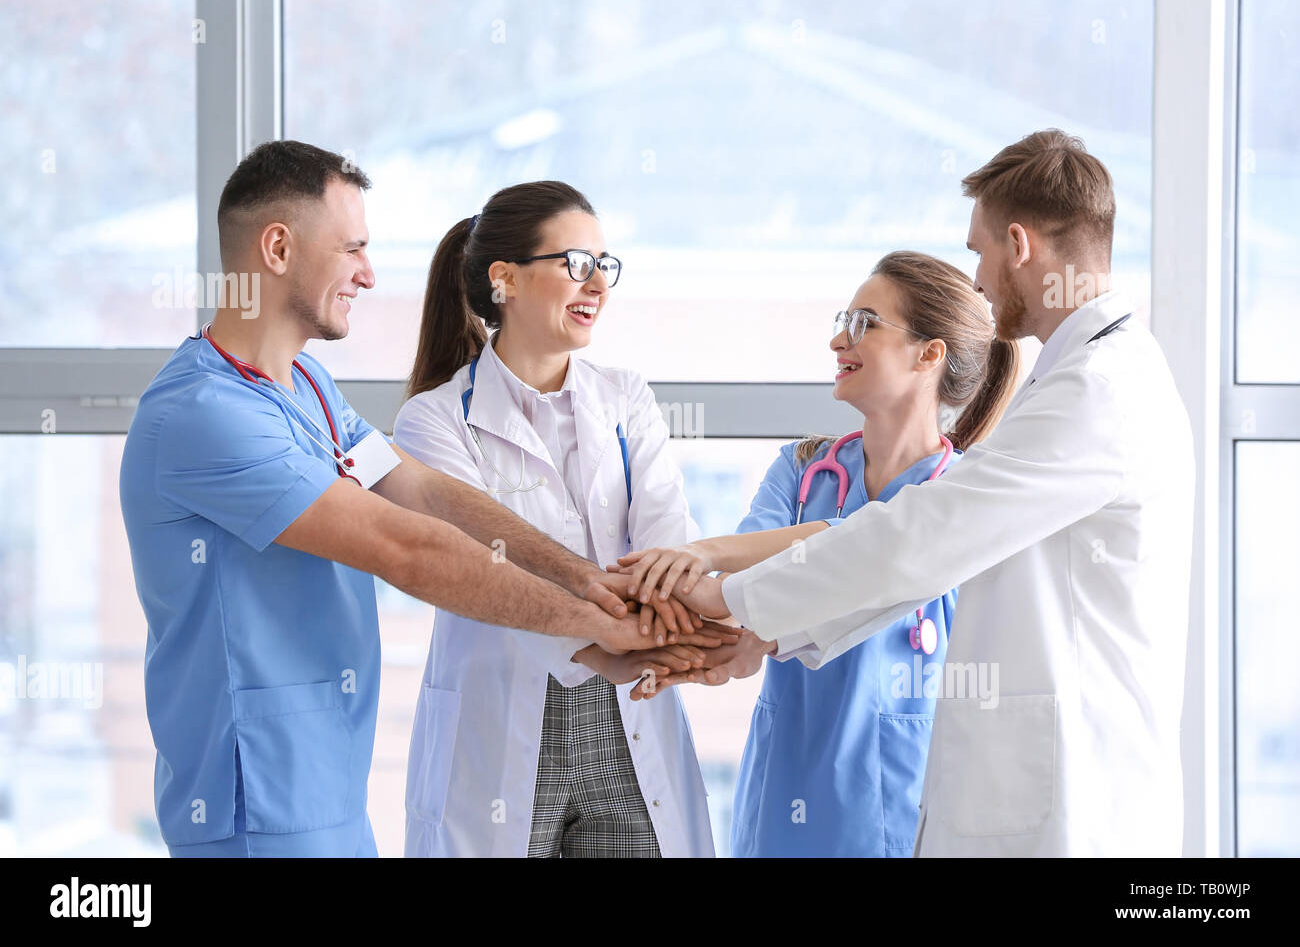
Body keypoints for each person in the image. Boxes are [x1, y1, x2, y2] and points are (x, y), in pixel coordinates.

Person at [627, 130, 1195, 857]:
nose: (980, 279)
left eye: (980, 250)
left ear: (1019, 245)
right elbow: (919, 555)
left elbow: (919, 541)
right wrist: (751, 632)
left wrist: (724, 598)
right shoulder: (1080, 379)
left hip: (1077, 802)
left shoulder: (1097, 390)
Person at [119, 141, 674, 858]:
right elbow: (403, 547)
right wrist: (598, 628)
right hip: (253, 804)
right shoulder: (203, 414)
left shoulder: (309, 389)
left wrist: (585, 582)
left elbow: (422, 491)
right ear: (279, 248)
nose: (369, 274)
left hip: (331, 794)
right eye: (352, 248)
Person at [616, 252, 1019, 856]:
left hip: (902, 799)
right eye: (842, 319)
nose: (838, 339)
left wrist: (711, 560)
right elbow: (744, 601)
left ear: (928, 354)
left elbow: (851, 554)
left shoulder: (964, 502)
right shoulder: (802, 470)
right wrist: (709, 650)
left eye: (864, 324)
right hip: (786, 789)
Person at [394, 180, 728, 858]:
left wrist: (653, 630)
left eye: (605, 266)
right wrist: (605, 646)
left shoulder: (625, 398)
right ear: (505, 278)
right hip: (501, 719)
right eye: (577, 263)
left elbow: (667, 538)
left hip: (631, 713)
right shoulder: (432, 420)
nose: (598, 284)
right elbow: (479, 573)